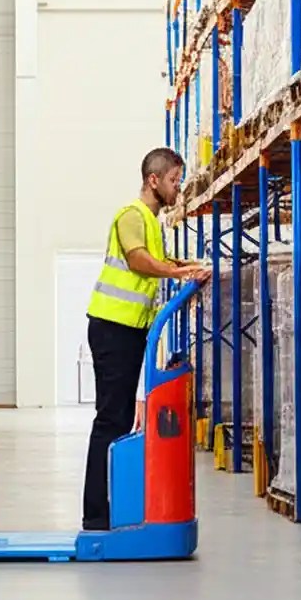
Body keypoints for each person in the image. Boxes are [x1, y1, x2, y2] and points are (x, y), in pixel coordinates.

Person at [82, 147, 210, 531]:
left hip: (130, 328)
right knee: (110, 418)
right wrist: (178, 275)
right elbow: (139, 261)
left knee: (123, 418)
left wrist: (192, 270)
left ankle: (115, 505)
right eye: (174, 180)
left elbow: (164, 263)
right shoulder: (131, 216)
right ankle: (96, 512)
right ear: (153, 180)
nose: (179, 187)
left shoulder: (154, 224)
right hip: (112, 326)